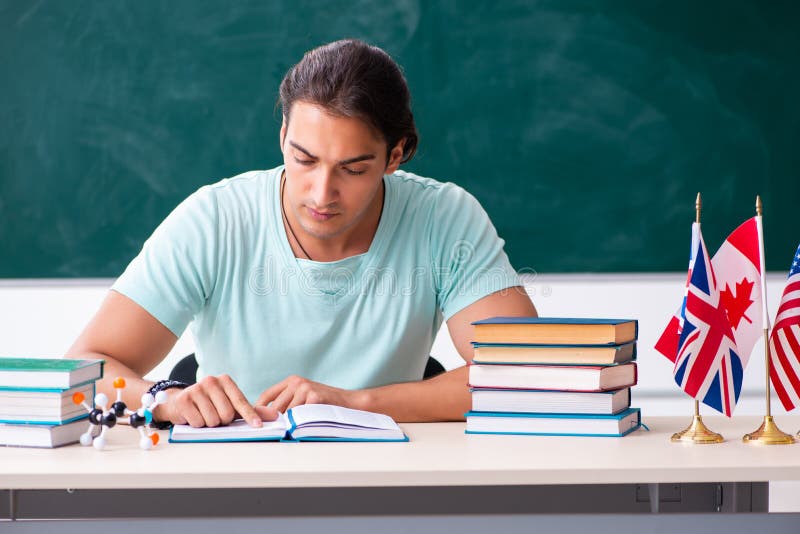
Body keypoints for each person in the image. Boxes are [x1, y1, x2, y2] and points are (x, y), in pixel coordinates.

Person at [66, 39, 536, 428]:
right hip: (231, 474)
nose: (321, 193)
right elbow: (85, 363)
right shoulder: (215, 219)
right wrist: (164, 398)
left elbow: (526, 372)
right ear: (283, 134)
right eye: (304, 159)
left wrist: (353, 403)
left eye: (353, 169)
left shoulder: (444, 217)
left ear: (396, 155)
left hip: (386, 476)